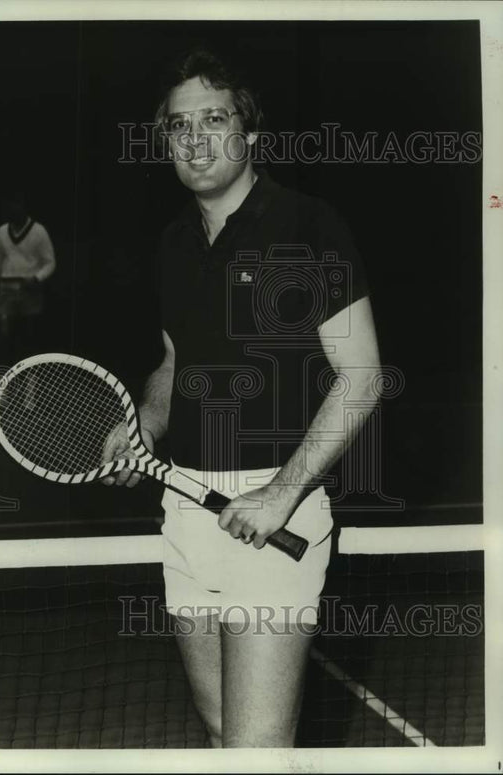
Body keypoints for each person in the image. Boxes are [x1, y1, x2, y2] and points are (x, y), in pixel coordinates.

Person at [102, 50, 382, 748]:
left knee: (257, 750)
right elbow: (174, 362)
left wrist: (281, 493)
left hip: (272, 515)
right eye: (178, 126)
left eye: (214, 120)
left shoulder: (308, 225)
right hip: (186, 517)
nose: (194, 140)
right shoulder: (171, 243)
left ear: (250, 132)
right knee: (227, 733)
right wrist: (143, 425)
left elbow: (362, 376)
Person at [0, 192, 56, 365]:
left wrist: (37, 278)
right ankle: (6, 384)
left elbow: (50, 263)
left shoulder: (39, 231)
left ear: (23, 207)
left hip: (30, 292)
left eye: (16, 205)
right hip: (6, 290)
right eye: (8, 206)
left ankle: (30, 387)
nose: (12, 209)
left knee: (29, 341)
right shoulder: (2, 231)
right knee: (5, 340)